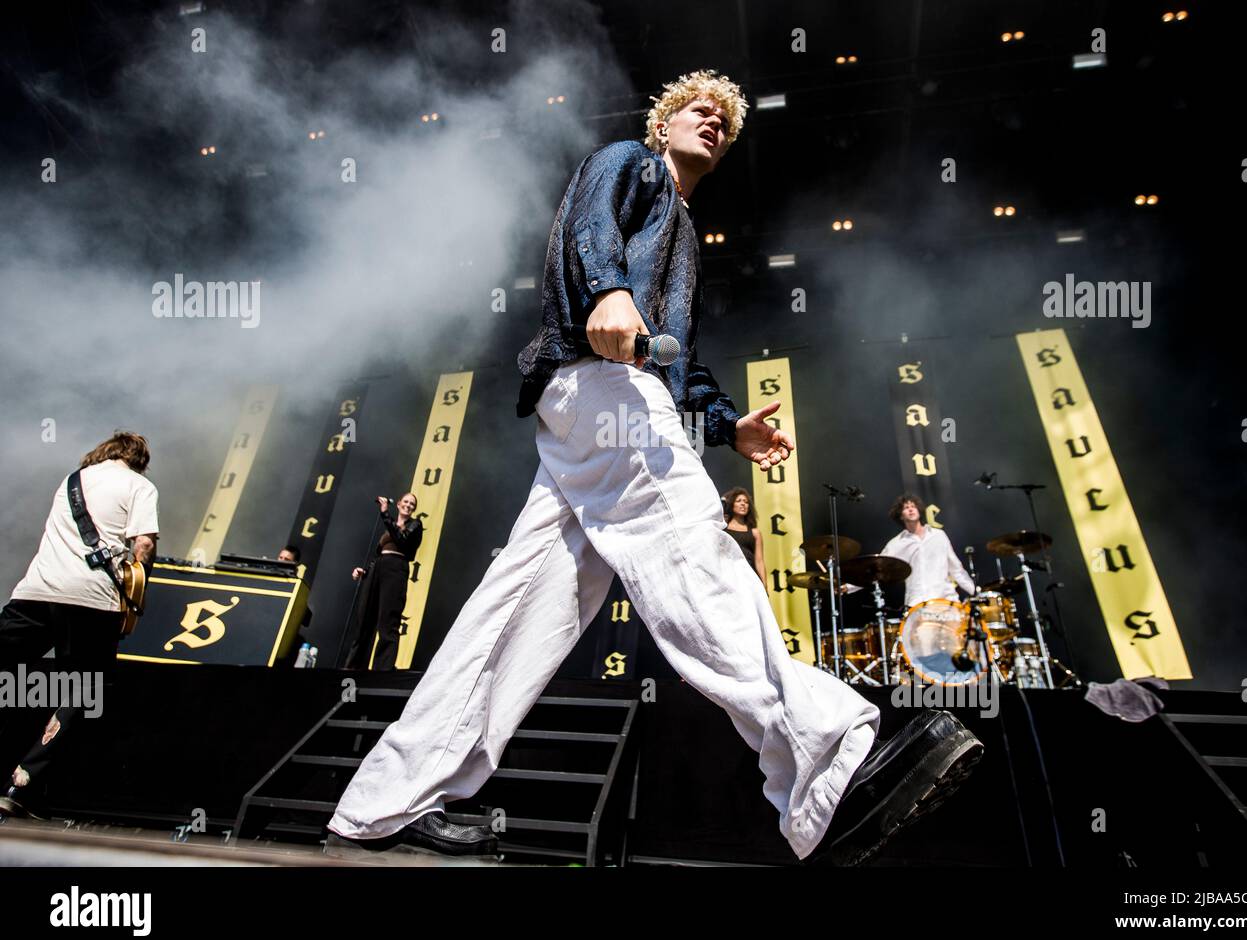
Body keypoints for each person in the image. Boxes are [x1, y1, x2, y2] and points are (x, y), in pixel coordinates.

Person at [325, 70, 981, 865]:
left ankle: (388, 803)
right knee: (691, 546)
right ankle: (823, 759)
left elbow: (679, 361)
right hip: (604, 388)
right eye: (698, 110)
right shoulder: (630, 166)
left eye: (725, 123)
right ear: (663, 120)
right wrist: (605, 289)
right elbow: (589, 222)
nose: (712, 123)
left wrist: (723, 423)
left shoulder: (683, 234)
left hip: (606, 401)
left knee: (521, 609)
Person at [0, 431, 159, 821]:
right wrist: (135, 591)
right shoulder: (140, 486)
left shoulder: (72, 480)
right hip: (90, 599)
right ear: (138, 458)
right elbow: (144, 546)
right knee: (84, 690)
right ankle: (24, 781)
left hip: (36, 591)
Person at [343, 494, 422, 671]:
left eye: (412, 504)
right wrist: (365, 570)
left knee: (388, 621)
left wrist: (385, 514)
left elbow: (401, 540)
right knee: (365, 619)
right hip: (377, 568)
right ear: (399, 504)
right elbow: (379, 553)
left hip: (395, 569)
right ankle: (354, 667)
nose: (408, 505)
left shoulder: (415, 525)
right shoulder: (388, 529)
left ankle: (382, 670)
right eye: (406, 502)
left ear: (413, 509)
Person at [881, 494, 975, 608]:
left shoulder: (939, 535)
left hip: (946, 601)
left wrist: (975, 592)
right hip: (917, 605)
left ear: (919, 511)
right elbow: (876, 567)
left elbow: (956, 570)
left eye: (913, 506)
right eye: (906, 508)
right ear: (901, 516)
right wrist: (854, 583)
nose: (910, 509)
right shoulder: (896, 544)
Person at [721, 487, 765, 583]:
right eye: (739, 501)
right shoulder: (723, 529)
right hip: (730, 577)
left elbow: (759, 561)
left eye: (746, 502)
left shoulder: (755, 532)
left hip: (751, 577)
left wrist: (764, 586)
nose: (743, 504)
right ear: (732, 504)